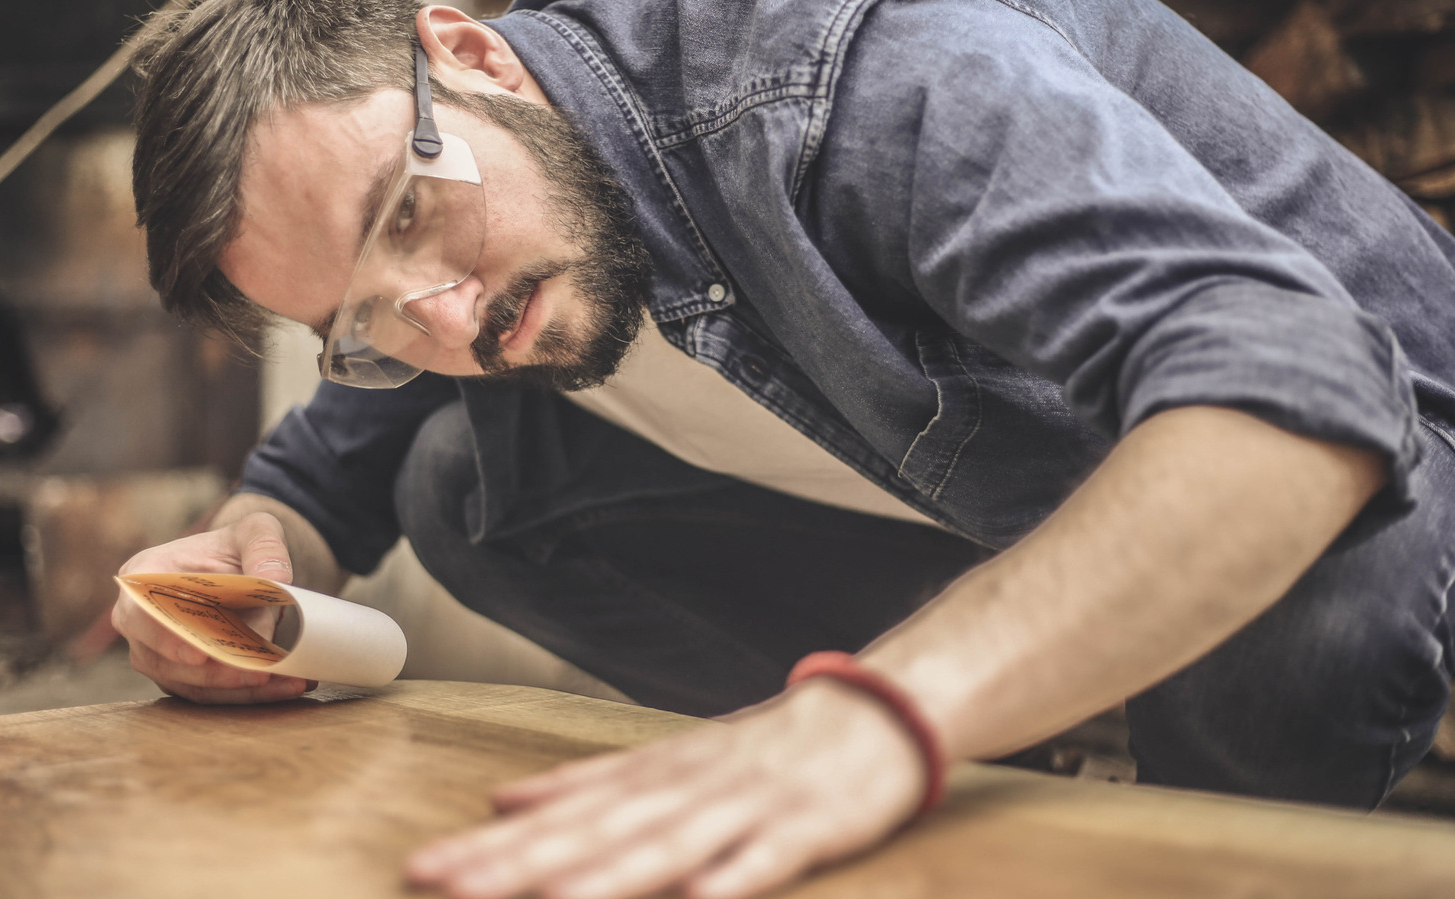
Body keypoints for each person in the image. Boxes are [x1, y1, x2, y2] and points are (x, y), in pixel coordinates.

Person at [111, 0, 1455, 897]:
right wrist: (254, 559)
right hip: (1015, 500)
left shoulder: (855, 74)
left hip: (1382, 439)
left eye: (411, 215)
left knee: (1316, 603)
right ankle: (1018, 745)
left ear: (469, 52)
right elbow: (322, 473)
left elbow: (1303, 384)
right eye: (363, 321)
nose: (444, 318)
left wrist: (881, 714)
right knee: (456, 482)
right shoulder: (460, 245)